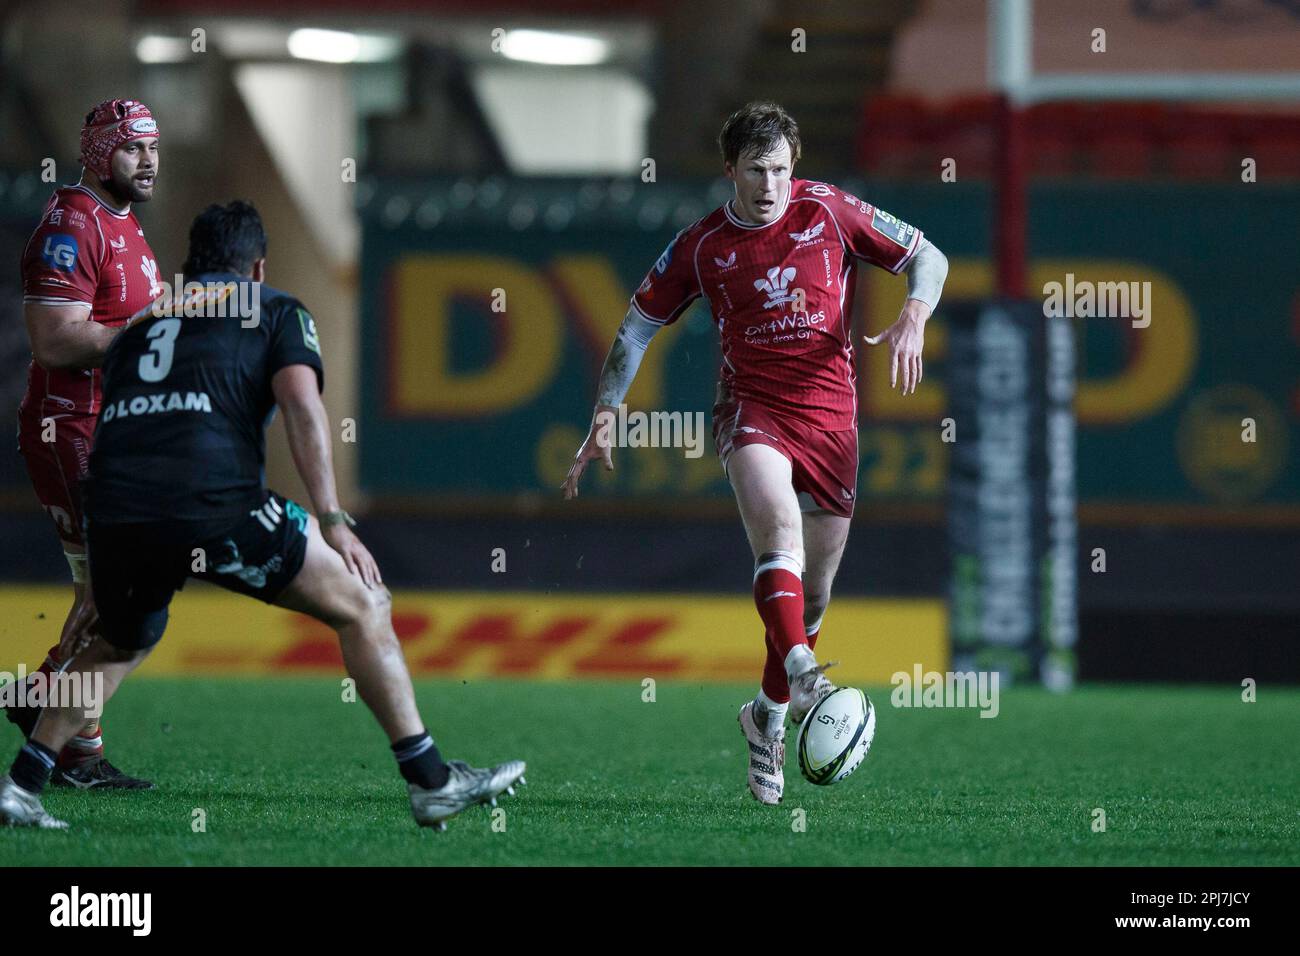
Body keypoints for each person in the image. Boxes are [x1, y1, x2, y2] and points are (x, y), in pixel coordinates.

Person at [0, 201, 525, 830]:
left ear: (190, 268)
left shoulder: (139, 327)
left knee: (117, 641)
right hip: (212, 501)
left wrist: (106, 545)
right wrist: (332, 519)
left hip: (116, 507)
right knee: (363, 605)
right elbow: (303, 411)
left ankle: (21, 785)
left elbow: (116, 425)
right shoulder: (275, 309)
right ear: (258, 267)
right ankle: (431, 780)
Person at [563, 102, 948, 805]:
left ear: (793, 168)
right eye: (755, 170)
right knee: (779, 533)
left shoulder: (829, 211)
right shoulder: (702, 247)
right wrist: (607, 412)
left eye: (779, 169)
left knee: (817, 590)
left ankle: (765, 717)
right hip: (752, 411)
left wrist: (915, 314)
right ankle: (803, 671)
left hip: (833, 419)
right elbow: (635, 328)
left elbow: (929, 256)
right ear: (729, 171)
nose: (769, 184)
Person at [3, 98, 164, 790]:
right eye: (133, 147)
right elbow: (55, 339)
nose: (150, 160)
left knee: (104, 591)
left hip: (111, 434)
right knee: (112, 593)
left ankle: (61, 727)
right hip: (72, 430)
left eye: (154, 146)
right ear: (98, 153)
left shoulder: (123, 224)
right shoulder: (71, 225)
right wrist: (158, 330)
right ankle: (62, 734)